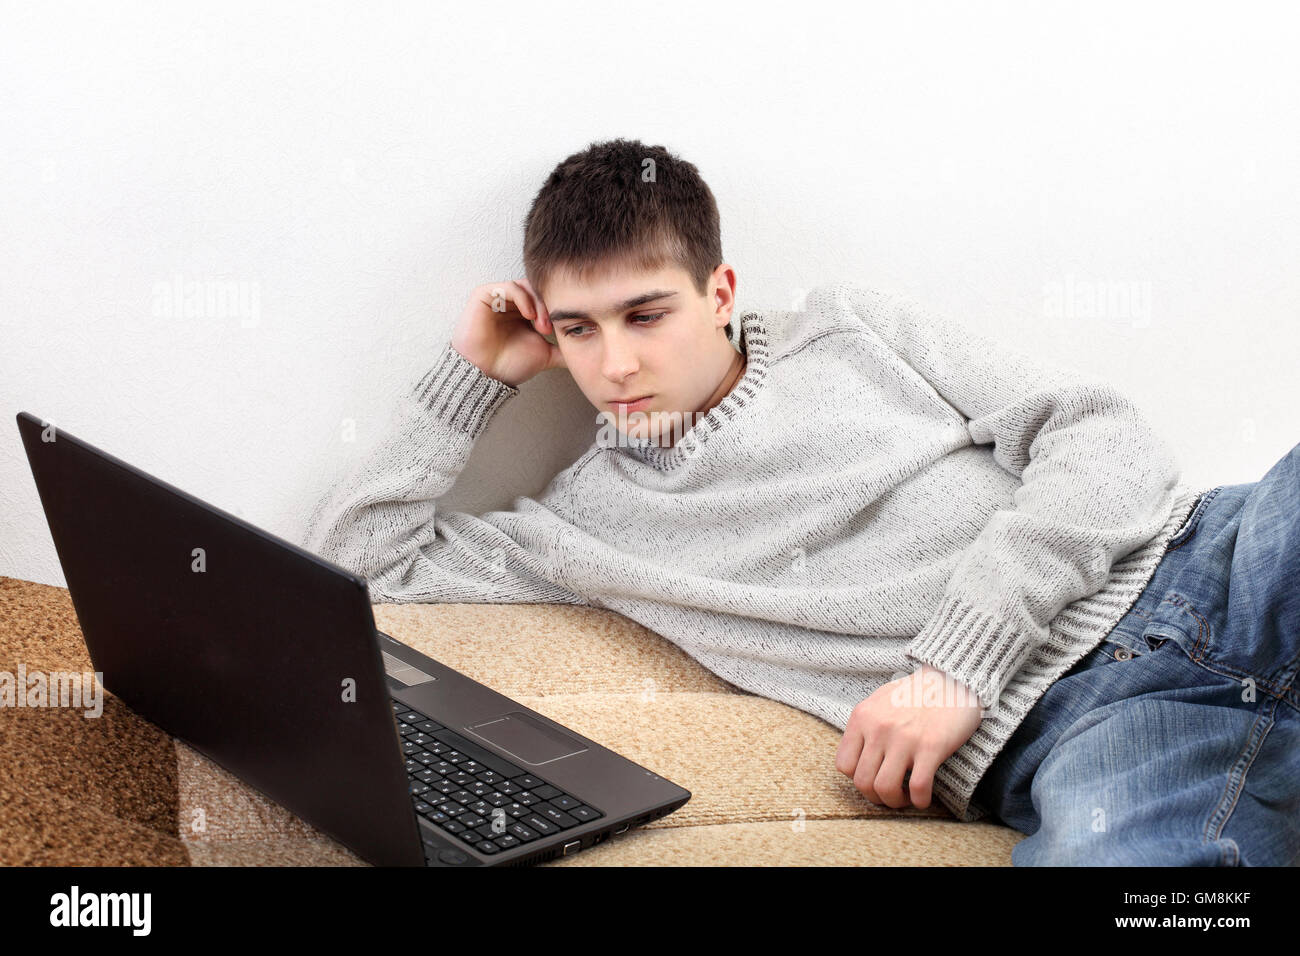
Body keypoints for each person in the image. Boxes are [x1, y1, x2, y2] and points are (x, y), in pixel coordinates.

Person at [302, 137, 1299, 865]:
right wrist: (475, 373)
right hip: (1082, 738)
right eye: (578, 330)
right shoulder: (577, 527)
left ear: (720, 289)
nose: (614, 362)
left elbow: (1104, 436)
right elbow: (358, 566)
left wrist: (955, 661)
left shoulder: (850, 326)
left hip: (1215, 563)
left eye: (645, 314)